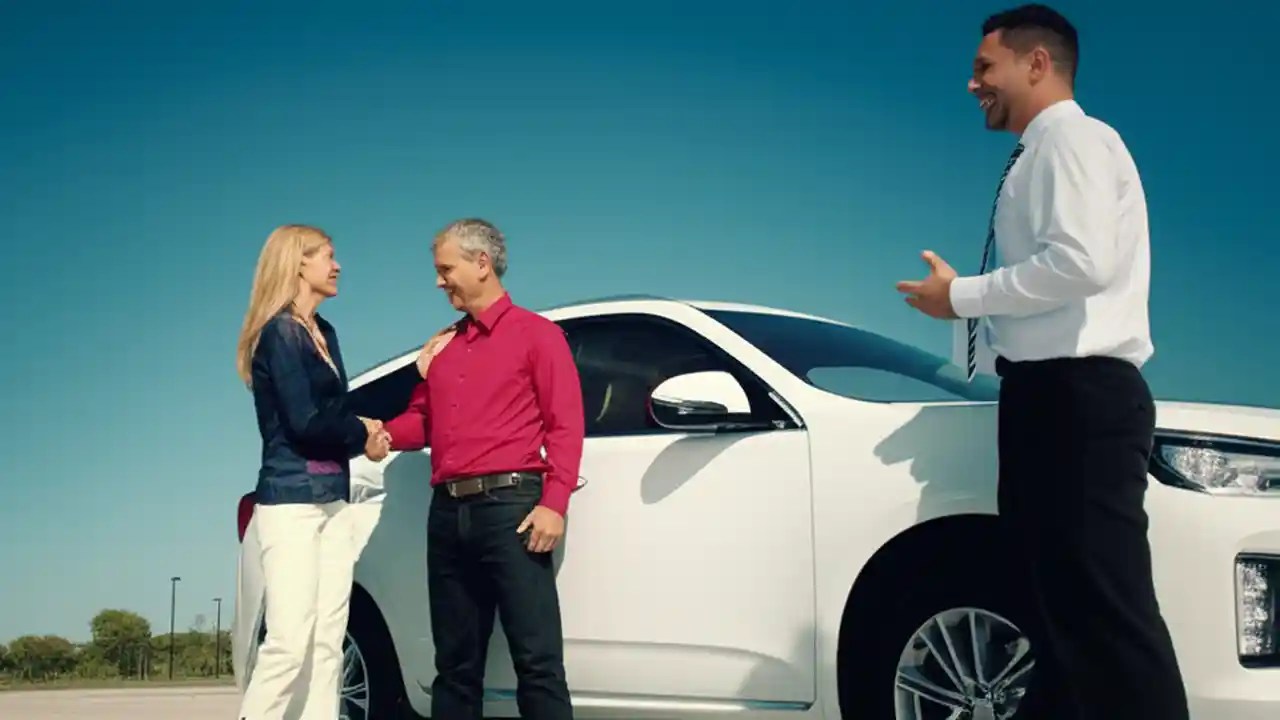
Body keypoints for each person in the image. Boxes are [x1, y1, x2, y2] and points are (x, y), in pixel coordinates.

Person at [894, 5, 1189, 719]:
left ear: (1037, 63)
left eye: (983, 68)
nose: (973, 84)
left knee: (1105, 618)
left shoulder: (1075, 141)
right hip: (1046, 399)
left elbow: (1082, 263)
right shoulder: (1040, 152)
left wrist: (959, 296)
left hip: (1077, 400)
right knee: (1057, 622)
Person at [381, 217, 583, 720]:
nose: (438, 280)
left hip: (511, 511)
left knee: (536, 663)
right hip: (447, 516)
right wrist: (381, 434)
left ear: (482, 263)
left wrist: (554, 503)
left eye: (445, 268)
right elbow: (422, 420)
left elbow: (565, 424)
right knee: (454, 667)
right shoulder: (443, 349)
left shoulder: (538, 336)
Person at [234, 224, 390, 720]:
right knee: (288, 642)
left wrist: (361, 431)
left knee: (328, 642)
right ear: (298, 263)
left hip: (334, 500)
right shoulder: (279, 333)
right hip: (292, 501)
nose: (337, 264)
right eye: (327, 255)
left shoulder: (326, 333)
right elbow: (304, 421)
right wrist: (361, 433)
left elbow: (332, 414)